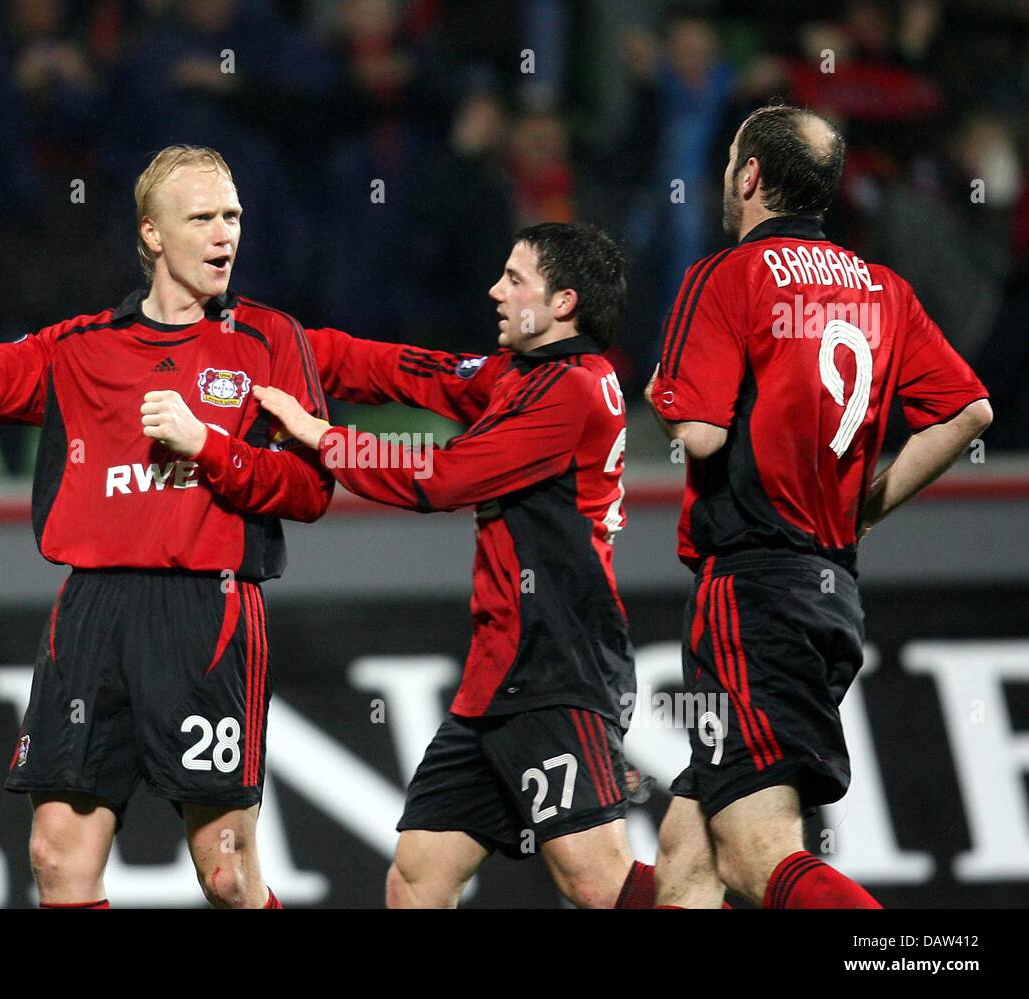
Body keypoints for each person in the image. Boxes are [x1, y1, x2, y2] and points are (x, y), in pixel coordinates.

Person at [0, 145, 332, 909]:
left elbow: (310, 488)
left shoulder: (269, 340)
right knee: (55, 855)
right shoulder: (82, 348)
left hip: (206, 612)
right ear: (151, 233)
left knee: (226, 873)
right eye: (202, 218)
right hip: (90, 615)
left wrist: (209, 447)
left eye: (233, 216)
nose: (224, 234)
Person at [644, 103, 993, 909]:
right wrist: (864, 510)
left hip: (752, 594)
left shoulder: (727, 275)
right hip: (829, 594)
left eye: (731, 160)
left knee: (755, 855)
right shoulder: (881, 288)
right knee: (687, 861)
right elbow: (968, 412)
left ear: (750, 175)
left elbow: (698, 434)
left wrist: (663, 392)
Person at [256, 223, 657, 909]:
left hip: (558, 665)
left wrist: (321, 436)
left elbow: (442, 477)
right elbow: (401, 369)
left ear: (563, 302)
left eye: (515, 279)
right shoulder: (520, 376)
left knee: (595, 881)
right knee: (418, 878)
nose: (495, 290)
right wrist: (272, 341)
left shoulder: (572, 390)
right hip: (498, 677)